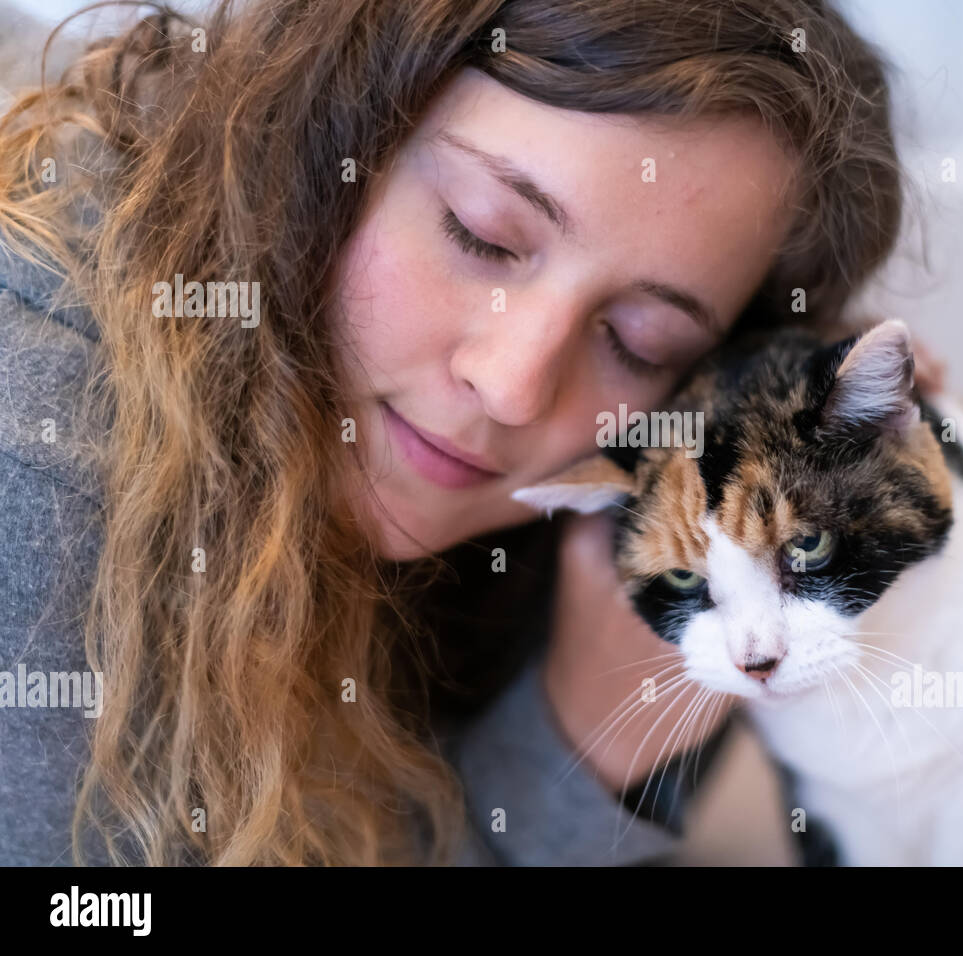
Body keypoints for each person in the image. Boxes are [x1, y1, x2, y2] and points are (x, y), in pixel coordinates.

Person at [0, 0, 915, 865]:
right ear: (326, 141)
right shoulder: (40, 461)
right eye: (478, 235)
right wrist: (581, 749)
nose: (514, 386)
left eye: (640, 342)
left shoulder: (569, 487)